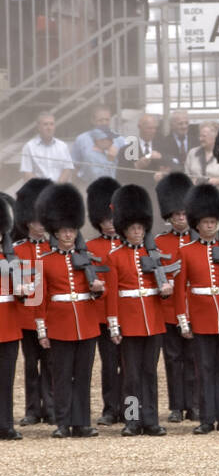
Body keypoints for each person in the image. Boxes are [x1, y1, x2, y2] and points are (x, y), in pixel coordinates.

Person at [33, 182, 106, 438]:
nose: (68, 235)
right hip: (60, 325)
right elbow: (38, 299)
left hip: (85, 322)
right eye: (64, 231)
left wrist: (98, 288)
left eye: (72, 231)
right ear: (56, 232)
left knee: (83, 376)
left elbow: (96, 294)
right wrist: (42, 330)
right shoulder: (44, 261)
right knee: (62, 376)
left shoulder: (86, 258)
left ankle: (82, 422)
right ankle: (63, 422)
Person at [173, 183, 219, 435]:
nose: (210, 226)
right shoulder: (186, 252)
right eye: (206, 222)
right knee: (204, 369)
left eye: (214, 222)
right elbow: (181, 289)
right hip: (201, 317)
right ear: (197, 224)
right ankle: (206, 418)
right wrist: (184, 321)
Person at [104, 184, 172, 436]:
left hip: (152, 321)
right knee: (131, 376)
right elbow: (111, 294)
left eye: (140, 228)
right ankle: (132, 420)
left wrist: (166, 289)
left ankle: (151, 419)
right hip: (130, 323)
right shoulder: (115, 256)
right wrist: (114, 325)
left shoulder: (152, 254)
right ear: (125, 230)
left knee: (149, 373)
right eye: (133, 229)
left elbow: (160, 288)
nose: (137, 232)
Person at [154, 171, 197, 422]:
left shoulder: (198, 241)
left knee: (193, 359)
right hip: (169, 309)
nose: (181, 219)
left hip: (194, 307)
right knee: (173, 359)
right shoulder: (159, 242)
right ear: (170, 216)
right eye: (177, 215)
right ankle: (176, 406)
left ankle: (193, 404)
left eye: (184, 214)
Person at [12, 179, 54, 427]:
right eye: (37, 221)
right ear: (28, 222)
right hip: (26, 315)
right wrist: (21, 289)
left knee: (50, 363)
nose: (41, 226)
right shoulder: (17, 250)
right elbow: (16, 285)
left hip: (50, 315)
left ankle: (49, 407)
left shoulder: (53, 248)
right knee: (30, 364)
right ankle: (31, 409)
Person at [85, 175, 123, 425]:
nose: (109, 225)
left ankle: (130, 410)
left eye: (112, 219)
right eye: (104, 220)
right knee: (109, 365)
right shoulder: (90, 247)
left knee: (130, 367)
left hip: (128, 313)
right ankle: (110, 409)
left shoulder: (129, 245)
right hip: (101, 315)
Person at [0, 195, 24, 441]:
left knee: (6, 381)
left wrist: (24, 290)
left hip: (8, 328)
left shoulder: (12, 259)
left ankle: (5, 424)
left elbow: (32, 297)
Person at [19, 114, 75, 182]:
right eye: (45, 124)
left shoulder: (63, 146)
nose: (49, 128)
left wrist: (57, 187)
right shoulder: (29, 147)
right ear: (39, 127)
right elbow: (27, 173)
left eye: (52, 124)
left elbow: (67, 169)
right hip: (38, 190)